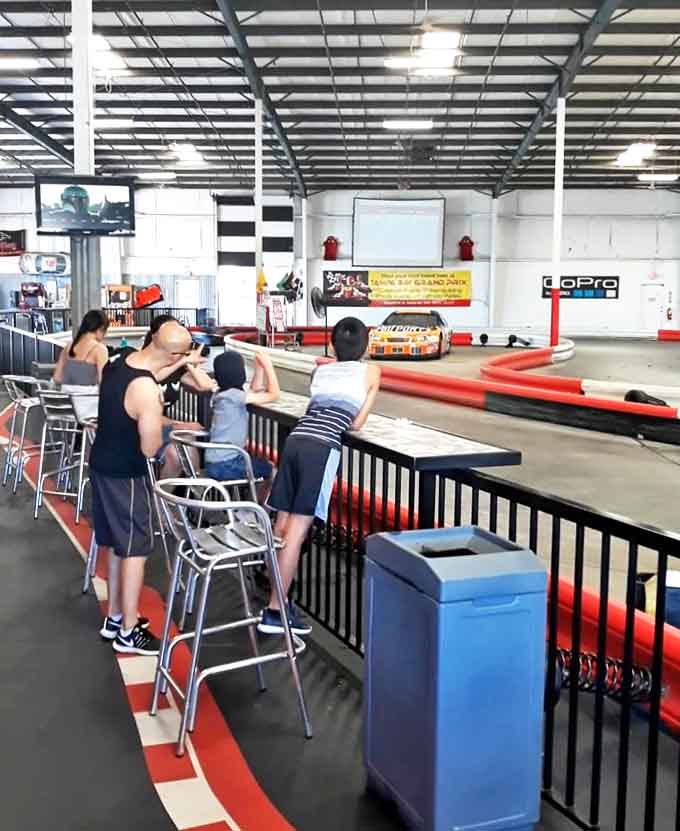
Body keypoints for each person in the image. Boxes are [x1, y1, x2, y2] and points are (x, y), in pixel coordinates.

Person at [261, 317, 381, 636]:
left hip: (295, 441)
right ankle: (275, 610)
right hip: (321, 448)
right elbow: (356, 424)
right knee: (297, 532)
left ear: (331, 344)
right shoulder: (371, 371)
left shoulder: (321, 369)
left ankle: (277, 602)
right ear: (366, 346)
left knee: (281, 527)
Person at [90, 320, 193, 655]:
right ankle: (129, 631)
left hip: (101, 465)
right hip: (127, 474)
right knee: (134, 550)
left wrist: (173, 370)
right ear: (175, 353)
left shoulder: (120, 361)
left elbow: (142, 380)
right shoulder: (147, 392)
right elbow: (149, 448)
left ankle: (117, 617)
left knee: (119, 545)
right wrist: (162, 416)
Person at [112, 314, 216, 477]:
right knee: (175, 454)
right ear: (156, 338)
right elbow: (142, 414)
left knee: (189, 446)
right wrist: (181, 425)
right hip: (137, 431)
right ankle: (160, 499)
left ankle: (193, 495)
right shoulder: (138, 367)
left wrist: (187, 361)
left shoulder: (176, 366)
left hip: (160, 428)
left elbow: (206, 385)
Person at [205, 350, 279, 498]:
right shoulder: (235, 396)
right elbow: (274, 395)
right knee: (272, 470)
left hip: (213, 461)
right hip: (228, 463)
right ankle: (258, 513)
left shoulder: (221, 394)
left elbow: (254, 389)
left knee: (261, 468)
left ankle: (250, 509)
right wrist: (268, 366)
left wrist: (258, 368)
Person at [53, 309, 109, 421]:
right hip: (87, 411)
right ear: (100, 329)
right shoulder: (99, 349)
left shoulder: (69, 347)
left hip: (65, 409)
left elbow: (57, 378)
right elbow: (105, 384)